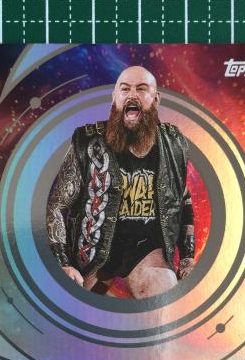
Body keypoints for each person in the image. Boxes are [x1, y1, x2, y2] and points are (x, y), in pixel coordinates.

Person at [46, 66, 195, 299]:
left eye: (141, 89)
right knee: (80, 308)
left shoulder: (174, 143)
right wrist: (62, 263)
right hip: (93, 252)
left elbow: (183, 200)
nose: (132, 95)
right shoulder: (87, 141)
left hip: (146, 252)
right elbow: (57, 204)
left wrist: (187, 257)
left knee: (165, 291)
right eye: (125, 89)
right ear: (114, 97)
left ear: (156, 99)